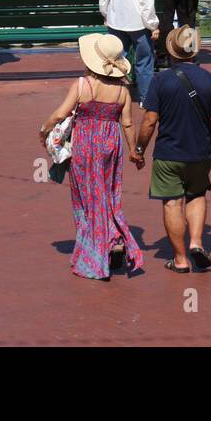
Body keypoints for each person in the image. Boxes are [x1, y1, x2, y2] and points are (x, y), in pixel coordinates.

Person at [38, 34, 145, 280]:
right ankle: (115, 239)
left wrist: (44, 131)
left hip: (86, 143)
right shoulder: (122, 91)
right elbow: (127, 124)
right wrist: (133, 151)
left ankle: (95, 253)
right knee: (108, 193)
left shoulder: (82, 85)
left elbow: (60, 114)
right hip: (111, 143)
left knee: (87, 195)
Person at [132, 27, 211, 272]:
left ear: (172, 52)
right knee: (197, 195)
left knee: (172, 202)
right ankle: (196, 242)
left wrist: (139, 149)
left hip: (168, 153)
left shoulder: (160, 81)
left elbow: (149, 120)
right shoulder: (209, 79)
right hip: (200, 152)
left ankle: (180, 259)